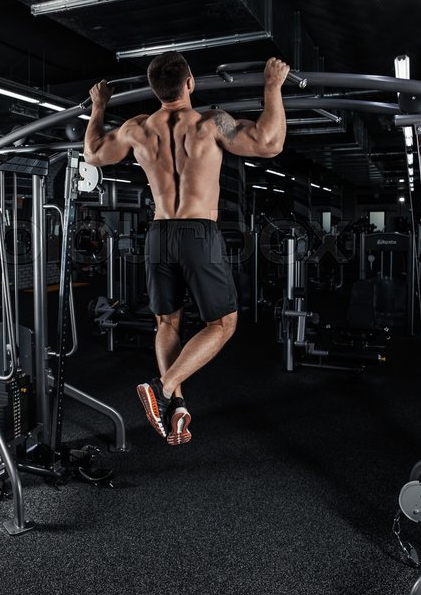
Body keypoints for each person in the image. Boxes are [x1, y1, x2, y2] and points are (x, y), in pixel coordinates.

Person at [84, 53, 289, 446]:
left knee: (167, 323)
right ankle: (162, 387)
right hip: (198, 231)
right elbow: (270, 143)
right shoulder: (211, 122)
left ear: (155, 89)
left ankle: (176, 405)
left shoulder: (136, 128)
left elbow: (93, 153)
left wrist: (98, 106)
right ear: (190, 83)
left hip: (158, 233)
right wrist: (272, 85)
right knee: (223, 325)